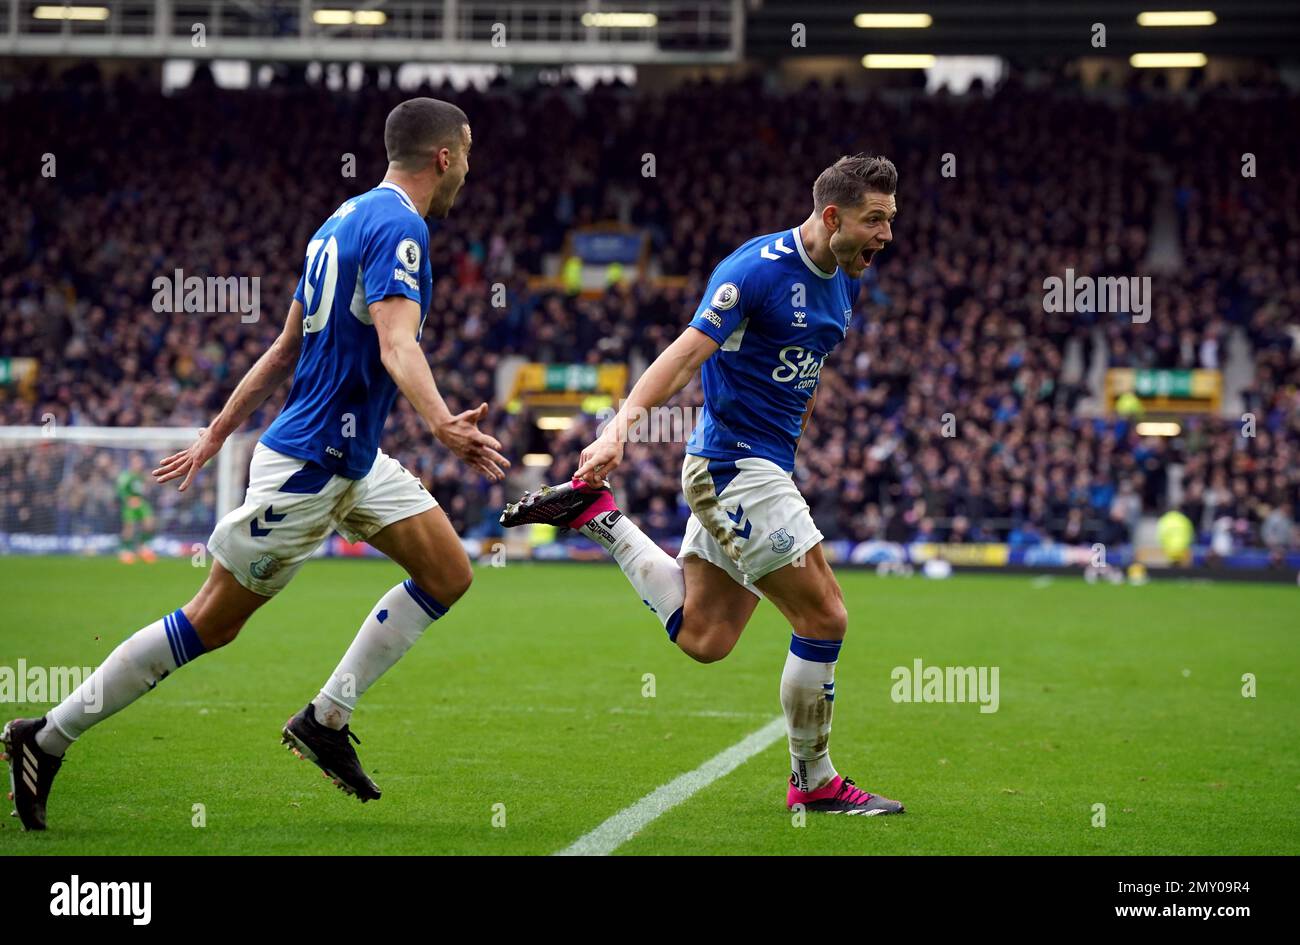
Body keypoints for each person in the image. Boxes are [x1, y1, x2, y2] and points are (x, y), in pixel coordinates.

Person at [3, 98, 508, 830]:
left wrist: (217, 432)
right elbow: (398, 346)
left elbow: (283, 348)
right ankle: (45, 737)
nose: (469, 165)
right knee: (209, 622)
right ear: (443, 157)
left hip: (353, 460)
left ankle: (326, 718)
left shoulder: (340, 221)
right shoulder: (403, 228)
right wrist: (443, 426)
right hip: (308, 467)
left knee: (449, 572)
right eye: (467, 151)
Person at [502, 154, 905, 816]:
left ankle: (600, 517)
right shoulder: (755, 270)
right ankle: (814, 779)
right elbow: (687, 352)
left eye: (890, 220)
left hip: (761, 466)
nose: (886, 235)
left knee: (706, 637)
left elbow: (799, 371)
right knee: (825, 612)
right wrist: (618, 428)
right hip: (734, 465)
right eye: (875, 220)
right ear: (832, 216)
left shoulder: (847, 278)